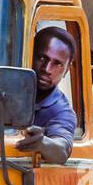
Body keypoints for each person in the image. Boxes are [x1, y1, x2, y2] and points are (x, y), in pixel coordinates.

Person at [16, 26, 78, 165]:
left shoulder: (61, 111)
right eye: (42, 58)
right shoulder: (3, 85)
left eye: (57, 64)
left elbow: (62, 150)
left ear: (67, 70)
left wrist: (42, 143)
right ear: (30, 55)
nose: (46, 69)